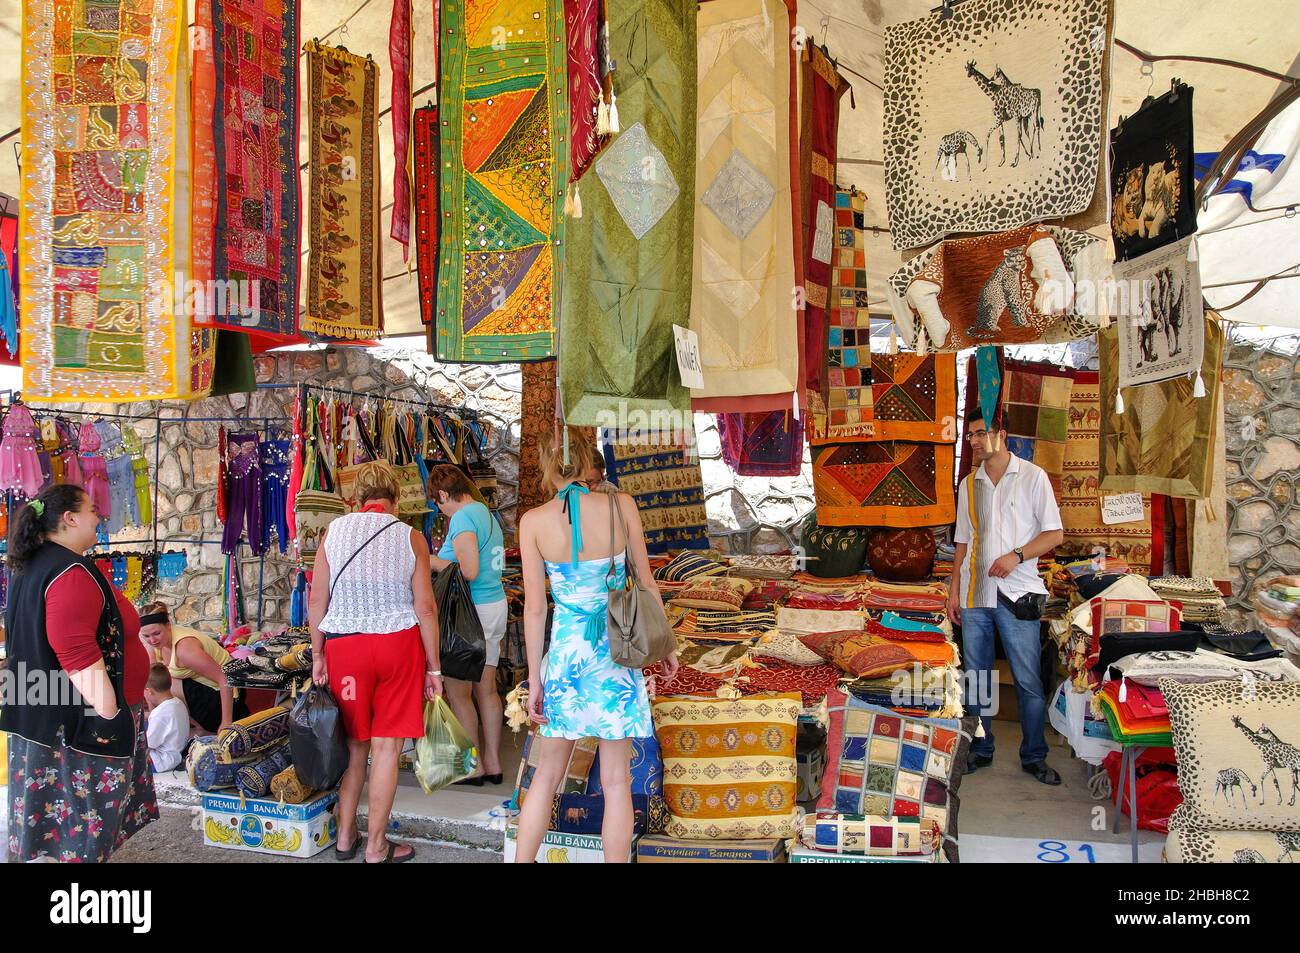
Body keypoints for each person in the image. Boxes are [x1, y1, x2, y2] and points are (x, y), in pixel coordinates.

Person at [513, 429, 679, 863]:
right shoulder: (620, 505)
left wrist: (535, 679)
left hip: (567, 654)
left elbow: (535, 610)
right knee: (617, 781)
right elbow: (645, 580)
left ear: (548, 469)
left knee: (545, 776)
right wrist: (666, 646)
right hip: (616, 649)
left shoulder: (532, 521)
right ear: (588, 461)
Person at [0, 484, 157, 862]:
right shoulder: (68, 571)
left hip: (44, 708)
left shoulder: (35, 563)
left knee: (53, 825)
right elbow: (76, 652)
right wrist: (110, 714)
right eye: (91, 510)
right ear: (69, 519)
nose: (99, 516)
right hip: (75, 725)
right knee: (78, 830)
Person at [308, 460, 443, 863]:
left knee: (353, 746)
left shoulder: (334, 531)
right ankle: (376, 845)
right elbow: (426, 607)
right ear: (395, 499)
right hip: (397, 647)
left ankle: (346, 836)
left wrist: (317, 653)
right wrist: (434, 668)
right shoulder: (411, 536)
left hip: (345, 649)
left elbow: (318, 599)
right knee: (386, 748)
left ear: (356, 499)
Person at [949, 410, 1065, 786]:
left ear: (1003, 433)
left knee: (1029, 679)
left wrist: (1016, 555)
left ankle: (1034, 755)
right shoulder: (969, 484)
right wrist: (953, 590)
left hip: (1019, 592)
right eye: (971, 437)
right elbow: (963, 543)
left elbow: (1054, 535)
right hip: (976, 592)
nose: (976, 441)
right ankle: (981, 749)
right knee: (977, 676)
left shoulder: (1032, 477)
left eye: (982, 434)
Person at [427, 464, 507, 786]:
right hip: (494, 606)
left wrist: (429, 559)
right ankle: (493, 763)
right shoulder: (487, 514)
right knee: (486, 689)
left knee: (459, 692)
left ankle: (471, 764)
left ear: (444, 494)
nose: (441, 511)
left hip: (468, 615)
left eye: (438, 503)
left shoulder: (462, 518)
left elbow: (468, 569)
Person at [137, 601, 247, 734]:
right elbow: (149, 675)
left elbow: (224, 678)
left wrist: (226, 722)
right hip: (208, 689)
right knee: (152, 680)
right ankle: (182, 724)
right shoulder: (159, 641)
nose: (152, 640)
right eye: (146, 636)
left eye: (156, 633)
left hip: (231, 698)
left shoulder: (185, 650)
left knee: (163, 683)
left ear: (168, 625)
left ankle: (203, 727)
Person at [143, 663, 190, 773]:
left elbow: (149, 743)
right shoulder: (178, 703)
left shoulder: (158, 714)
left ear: (149, 691)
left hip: (162, 761)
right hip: (176, 752)